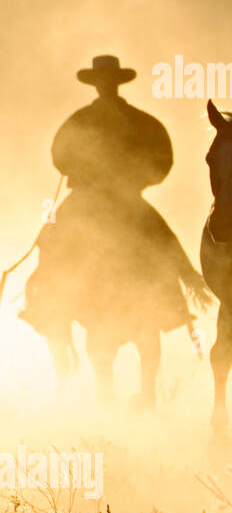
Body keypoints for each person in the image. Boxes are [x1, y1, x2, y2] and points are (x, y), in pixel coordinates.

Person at [21, 56, 207, 375]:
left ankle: (170, 301)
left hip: (122, 195)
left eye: (109, 81)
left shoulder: (116, 121)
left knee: (160, 240)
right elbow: (60, 156)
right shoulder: (116, 120)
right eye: (102, 81)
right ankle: (50, 305)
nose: (105, 86)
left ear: (115, 83)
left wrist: (132, 177)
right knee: (52, 241)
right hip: (93, 195)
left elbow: (162, 159)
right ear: (97, 84)